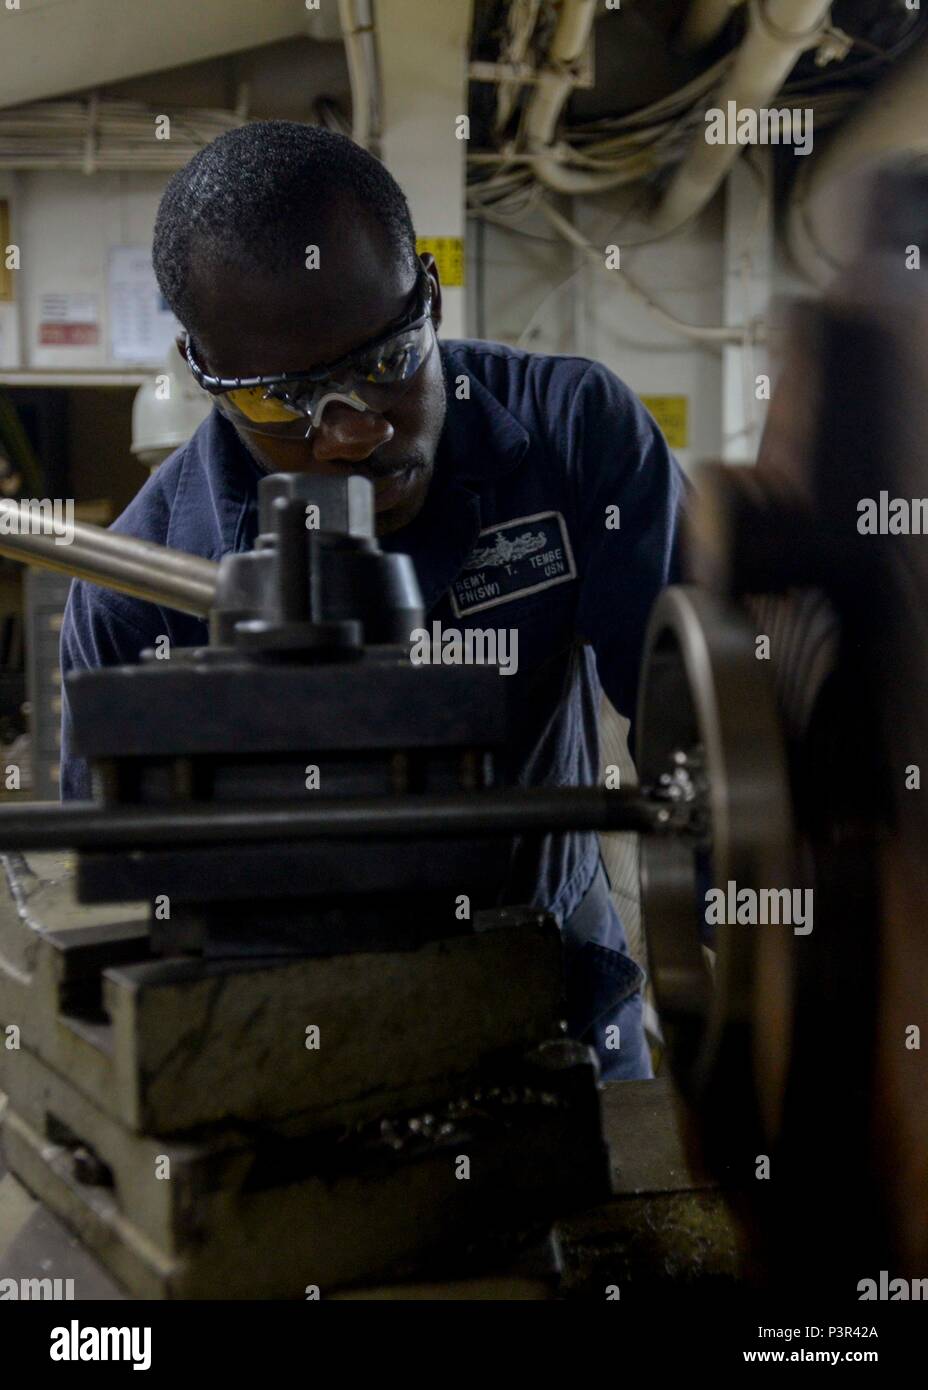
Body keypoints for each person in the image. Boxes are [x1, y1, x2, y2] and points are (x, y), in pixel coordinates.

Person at [59, 121, 686, 1080]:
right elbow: (113, 910)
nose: (348, 435)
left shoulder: (573, 438)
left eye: (385, 362)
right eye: (280, 399)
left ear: (427, 296)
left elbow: (697, 729)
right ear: (204, 376)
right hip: (287, 1040)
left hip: (562, 993)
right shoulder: (134, 589)